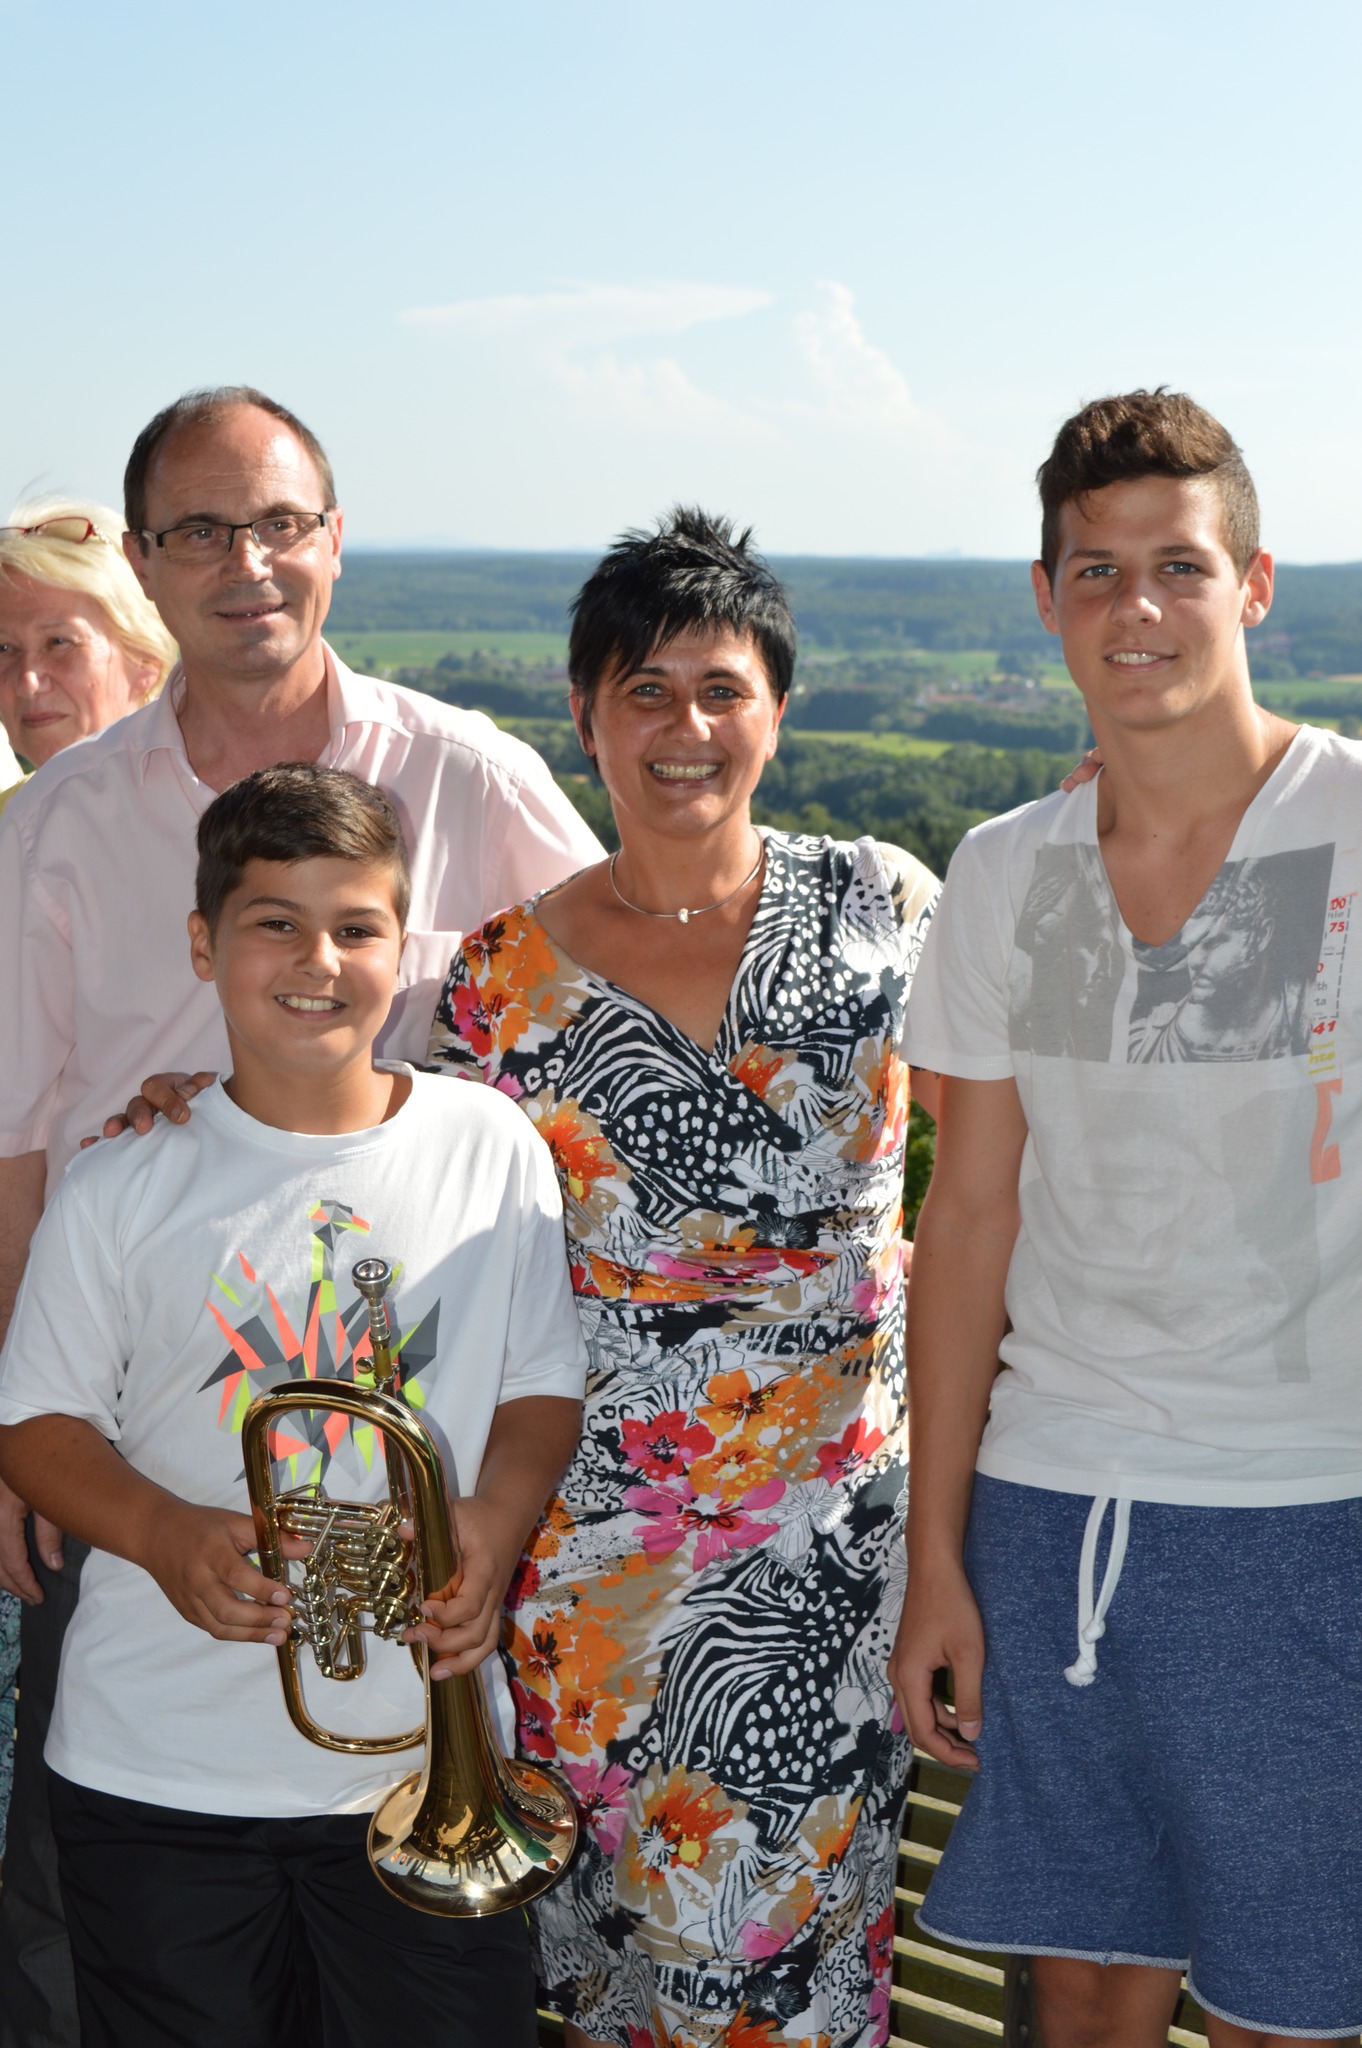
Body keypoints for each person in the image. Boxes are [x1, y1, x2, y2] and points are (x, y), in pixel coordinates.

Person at [0, 385, 602, 2048]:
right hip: (140, 1458)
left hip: (405, 1463)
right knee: (138, 1942)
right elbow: (14, 1146)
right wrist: (17, 1456)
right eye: (199, 529)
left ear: (332, 539)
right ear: (145, 562)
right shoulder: (50, 829)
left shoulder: (460, 771)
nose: (245, 562)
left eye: (279, 523)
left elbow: (622, 949)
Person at [424, 510, 939, 2047]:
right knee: (600, 1983)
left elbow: (1011, 1170)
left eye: (721, 687)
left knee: (777, 1988)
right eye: (642, 689)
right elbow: (380, 1174)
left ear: (776, 710)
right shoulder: (493, 983)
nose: (684, 726)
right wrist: (181, 1106)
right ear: (581, 716)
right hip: (586, 1571)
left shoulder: (889, 909)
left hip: (826, 1568)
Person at [895, 391, 1362, 2048]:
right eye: (1094, 572)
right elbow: (966, 1228)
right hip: (1053, 1507)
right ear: (1045, 597)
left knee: (1285, 2012)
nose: (1136, 609)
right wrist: (933, 1554)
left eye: (1177, 564)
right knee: (1081, 1994)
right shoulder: (1010, 872)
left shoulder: (1346, 827)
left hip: (1306, 1511)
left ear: (1250, 581)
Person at [0, 501, 177, 818]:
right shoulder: (8, 823)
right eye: (3, 649)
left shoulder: (214, 821)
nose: (27, 681)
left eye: (58, 642)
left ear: (145, 659)